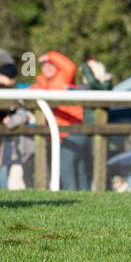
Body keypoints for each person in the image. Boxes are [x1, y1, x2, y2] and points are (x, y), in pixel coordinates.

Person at [31, 50, 88, 190]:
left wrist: (50, 55)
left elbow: (70, 67)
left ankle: (74, 202)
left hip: (73, 131)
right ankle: (84, 202)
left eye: (51, 65)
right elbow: (26, 95)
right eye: (45, 65)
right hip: (58, 134)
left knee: (67, 168)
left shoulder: (64, 77)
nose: (47, 68)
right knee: (76, 169)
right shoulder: (41, 83)